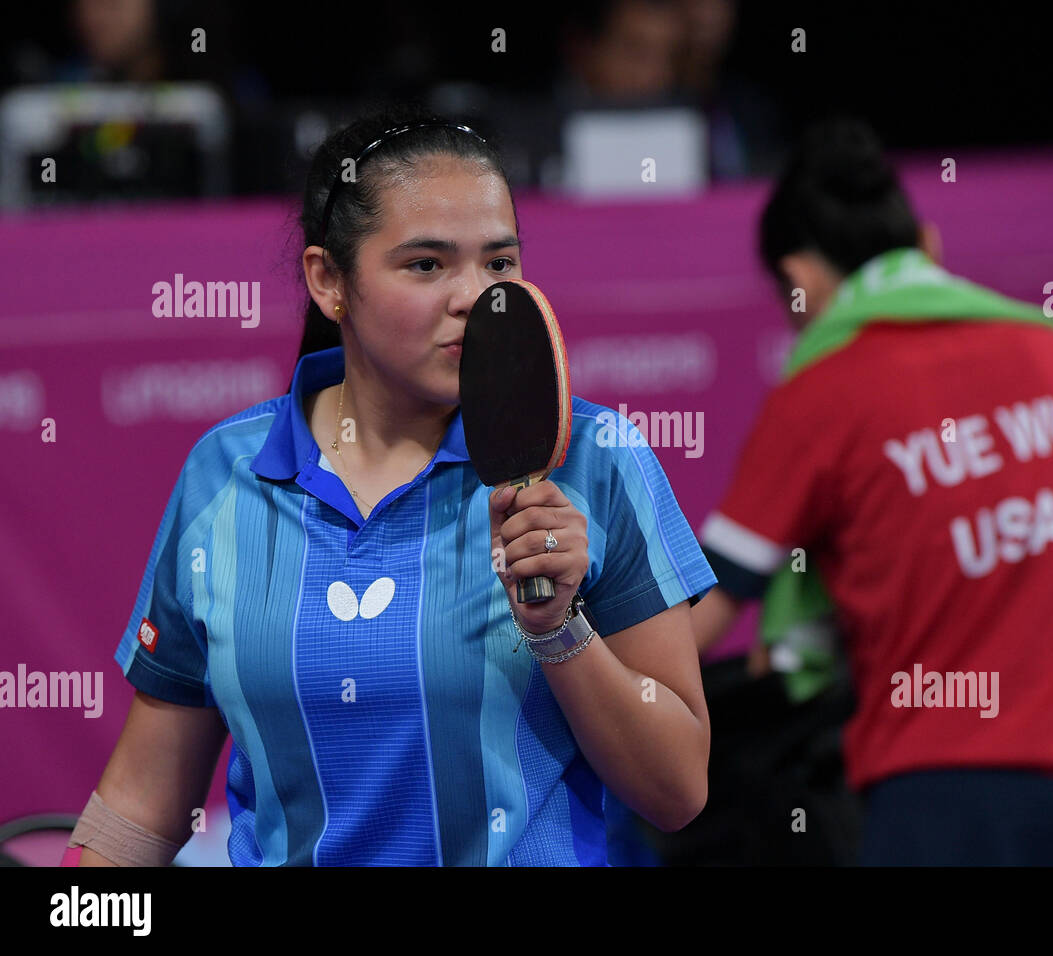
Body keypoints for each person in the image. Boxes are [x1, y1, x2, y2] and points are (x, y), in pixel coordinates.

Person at [67, 105, 714, 867]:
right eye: (426, 265)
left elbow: (677, 791)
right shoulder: (225, 474)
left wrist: (560, 628)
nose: (474, 294)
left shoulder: (595, 457)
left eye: (499, 262)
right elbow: (146, 799)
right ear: (329, 281)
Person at [690, 117, 1053, 866]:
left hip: (939, 812)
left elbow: (694, 622)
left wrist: (561, 644)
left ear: (799, 282)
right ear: (928, 248)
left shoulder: (818, 395)